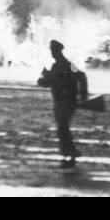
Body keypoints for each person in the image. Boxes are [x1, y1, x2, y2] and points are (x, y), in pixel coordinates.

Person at [37, 39, 88, 168]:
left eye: (52, 51)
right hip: (67, 101)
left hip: (63, 101)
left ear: (56, 51)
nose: (51, 53)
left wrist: (43, 78)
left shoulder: (59, 66)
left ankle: (69, 153)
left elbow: (49, 82)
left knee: (62, 128)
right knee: (63, 128)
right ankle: (70, 152)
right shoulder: (68, 65)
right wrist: (83, 94)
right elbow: (82, 77)